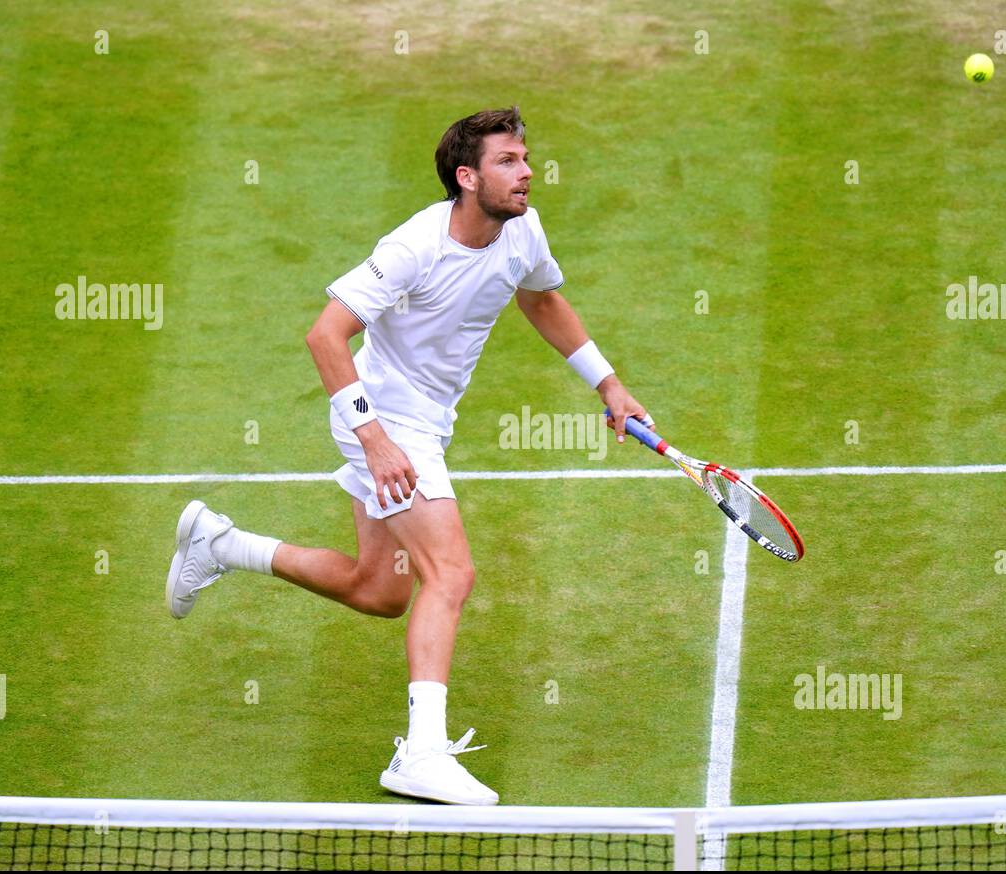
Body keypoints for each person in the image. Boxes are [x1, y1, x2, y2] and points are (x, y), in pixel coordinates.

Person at [164, 106, 653, 805]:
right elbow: (325, 337)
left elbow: (542, 301)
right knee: (450, 573)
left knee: (381, 590)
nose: (527, 171)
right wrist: (375, 438)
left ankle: (222, 543)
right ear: (466, 176)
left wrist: (607, 383)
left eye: (525, 158)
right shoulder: (413, 248)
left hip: (425, 421)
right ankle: (420, 753)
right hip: (385, 420)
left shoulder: (522, 230)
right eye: (509, 161)